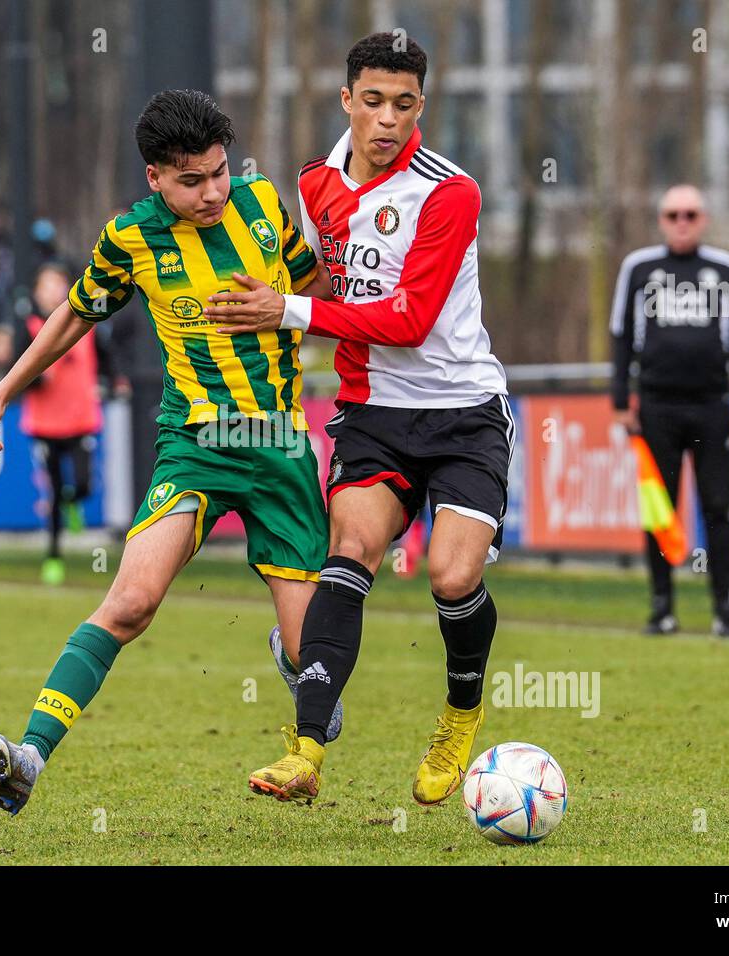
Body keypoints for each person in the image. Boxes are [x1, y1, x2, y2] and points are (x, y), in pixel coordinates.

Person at [0, 89, 339, 814]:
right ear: (155, 177)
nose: (212, 192)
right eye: (192, 181)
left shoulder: (262, 204)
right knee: (130, 602)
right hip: (195, 444)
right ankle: (30, 755)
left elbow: (318, 290)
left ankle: (300, 669)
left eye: (219, 172)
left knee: (313, 660)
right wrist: (0, 394)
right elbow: (74, 314)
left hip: (280, 448)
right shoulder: (130, 238)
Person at [211, 33, 513, 807]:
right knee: (348, 553)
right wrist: (257, 296)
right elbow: (319, 279)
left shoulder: (451, 193)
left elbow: (409, 320)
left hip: (463, 412)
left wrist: (288, 311)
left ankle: (460, 715)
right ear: (347, 100)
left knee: (452, 575)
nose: (387, 119)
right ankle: (306, 750)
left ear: (422, 106)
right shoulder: (315, 183)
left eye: (404, 104)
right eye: (373, 101)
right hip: (373, 413)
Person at [610, 184, 729, 637]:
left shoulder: (727, 269)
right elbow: (621, 335)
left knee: (718, 507)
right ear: (662, 220)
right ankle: (662, 609)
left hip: (712, 406)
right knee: (661, 510)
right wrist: (620, 400)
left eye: (690, 215)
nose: (681, 223)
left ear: (704, 219)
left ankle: (725, 611)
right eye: (673, 214)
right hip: (657, 407)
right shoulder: (638, 268)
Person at [20, 261, 102, 585]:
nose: (53, 290)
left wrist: (115, 379)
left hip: (81, 419)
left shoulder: (87, 323)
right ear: (37, 292)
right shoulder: (29, 328)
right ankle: (53, 556)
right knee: (52, 492)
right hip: (44, 424)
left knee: (84, 484)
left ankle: (73, 501)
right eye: (47, 284)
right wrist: (41, 377)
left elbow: (107, 357)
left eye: (58, 283)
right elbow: (17, 372)